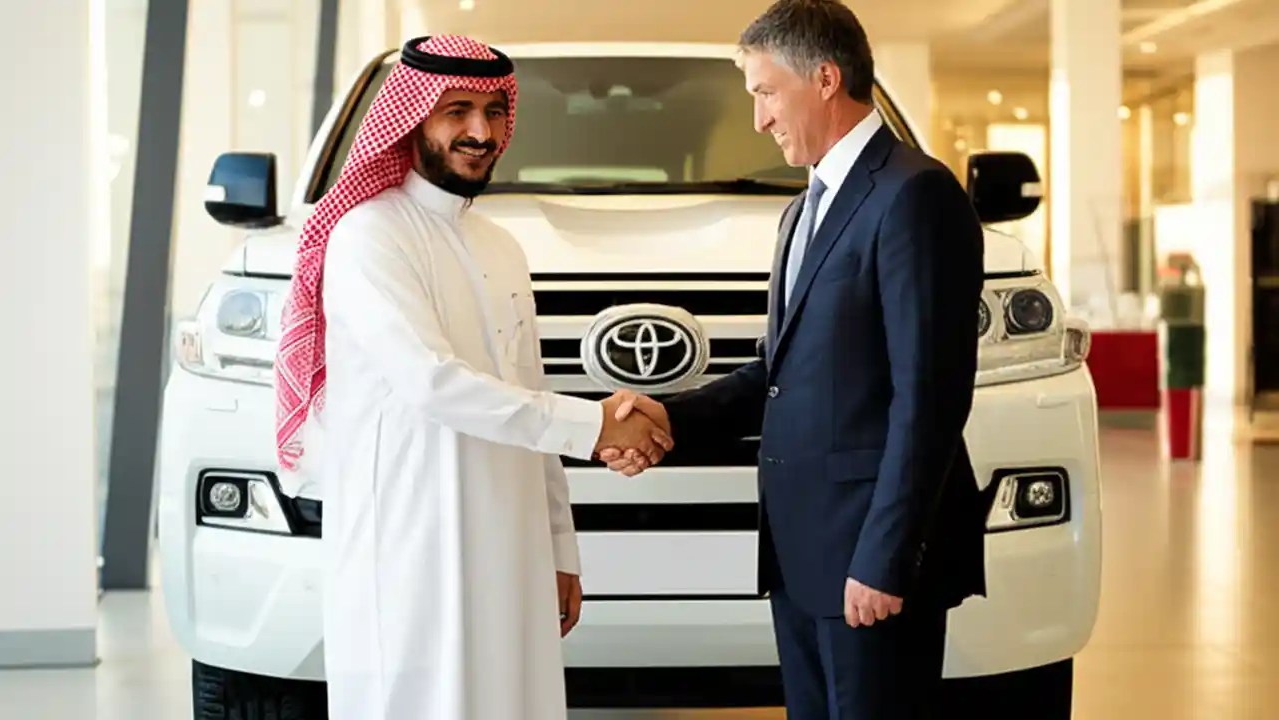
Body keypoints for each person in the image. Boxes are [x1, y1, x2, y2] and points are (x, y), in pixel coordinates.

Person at [599, 1, 988, 717]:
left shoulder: (914, 194)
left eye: (765, 92)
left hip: (869, 562)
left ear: (826, 78)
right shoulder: (803, 209)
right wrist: (666, 415)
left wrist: (884, 558)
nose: (759, 119)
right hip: (804, 555)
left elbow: (929, 399)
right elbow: (777, 378)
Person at [273, 35, 673, 720]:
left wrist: (557, 547)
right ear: (413, 119)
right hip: (410, 539)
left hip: (509, 540)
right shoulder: (370, 235)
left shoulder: (501, 245)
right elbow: (431, 380)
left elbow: (528, 391)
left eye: (493, 111)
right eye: (457, 110)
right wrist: (598, 423)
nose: (481, 131)